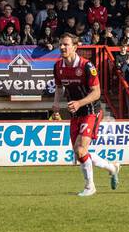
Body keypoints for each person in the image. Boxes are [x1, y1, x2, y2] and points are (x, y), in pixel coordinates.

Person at [50, 33, 120, 197]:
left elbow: (97, 93)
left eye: (66, 44)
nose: (62, 47)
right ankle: (112, 167)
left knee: (81, 150)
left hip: (91, 111)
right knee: (79, 152)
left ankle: (90, 187)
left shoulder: (87, 66)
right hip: (76, 112)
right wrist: (55, 105)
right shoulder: (58, 66)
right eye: (61, 44)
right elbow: (59, 88)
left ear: (75, 47)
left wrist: (79, 103)